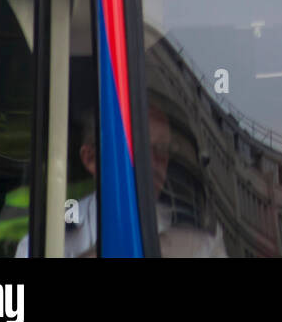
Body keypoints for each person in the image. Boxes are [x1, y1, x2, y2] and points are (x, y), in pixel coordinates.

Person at [16, 102, 226, 257]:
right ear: (91, 159)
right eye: (138, 149)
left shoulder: (199, 242)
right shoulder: (47, 242)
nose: (154, 162)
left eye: (162, 149)